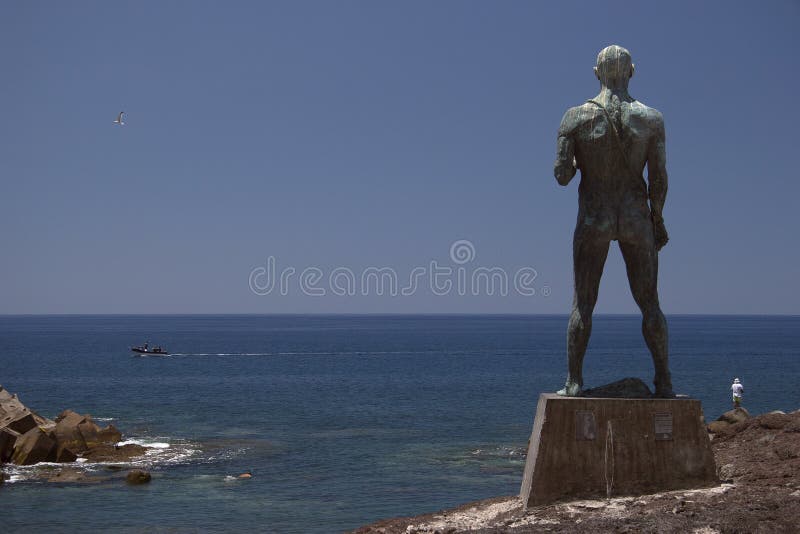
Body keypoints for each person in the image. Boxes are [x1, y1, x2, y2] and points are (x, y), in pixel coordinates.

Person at [554, 45, 673, 398]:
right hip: (636, 217)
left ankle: (574, 382)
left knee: (583, 304)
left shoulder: (574, 117)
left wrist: (580, 161)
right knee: (650, 304)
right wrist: (657, 218)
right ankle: (664, 381)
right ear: (631, 71)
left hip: (595, 217)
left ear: (596, 73)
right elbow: (659, 179)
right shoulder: (652, 119)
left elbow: (562, 176)